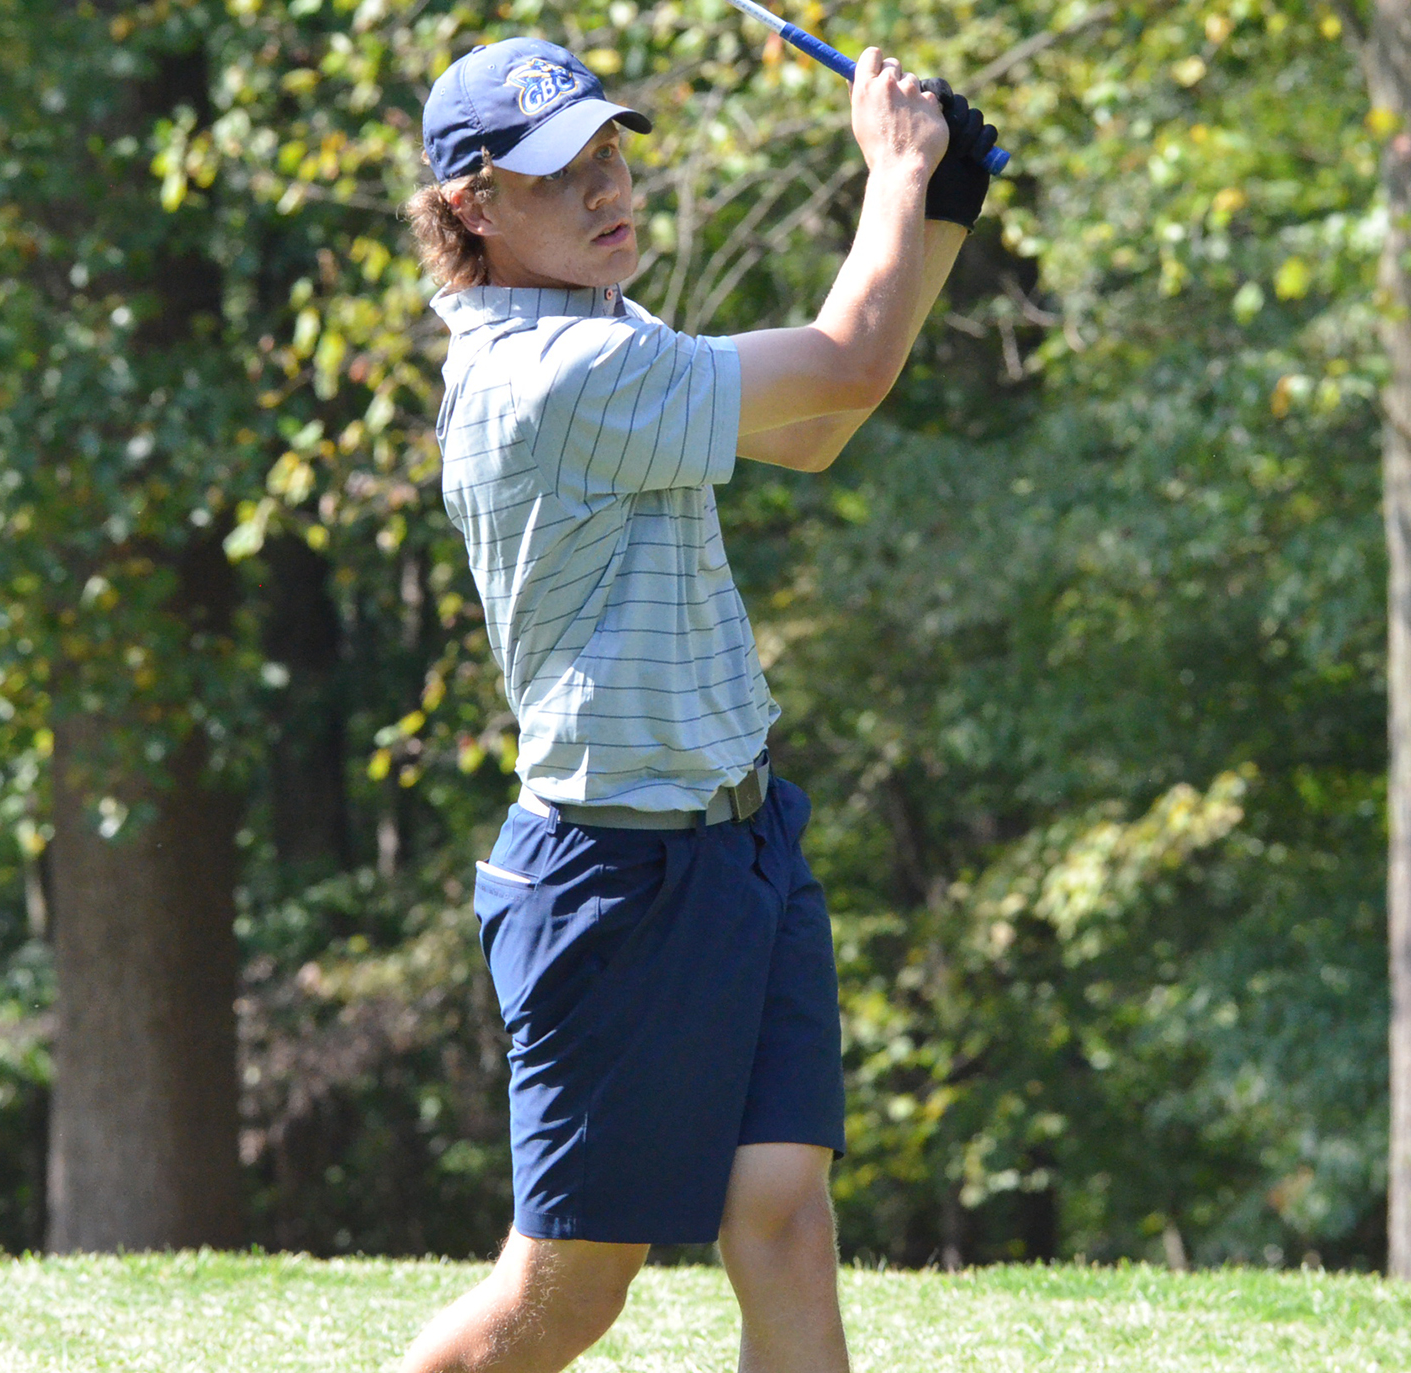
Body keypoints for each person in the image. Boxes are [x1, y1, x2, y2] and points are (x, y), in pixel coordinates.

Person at [397, 34, 995, 1373]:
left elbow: (816, 424)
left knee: (781, 1222)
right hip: (614, 878)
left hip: (740, 840)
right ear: (475, 208)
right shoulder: (557, 381)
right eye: (565, 177)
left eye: (614, 156)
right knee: (563, 1298)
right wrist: (899, 175)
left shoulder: (601, 330)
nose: (610, 191)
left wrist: (937, 202)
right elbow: (842, 361)